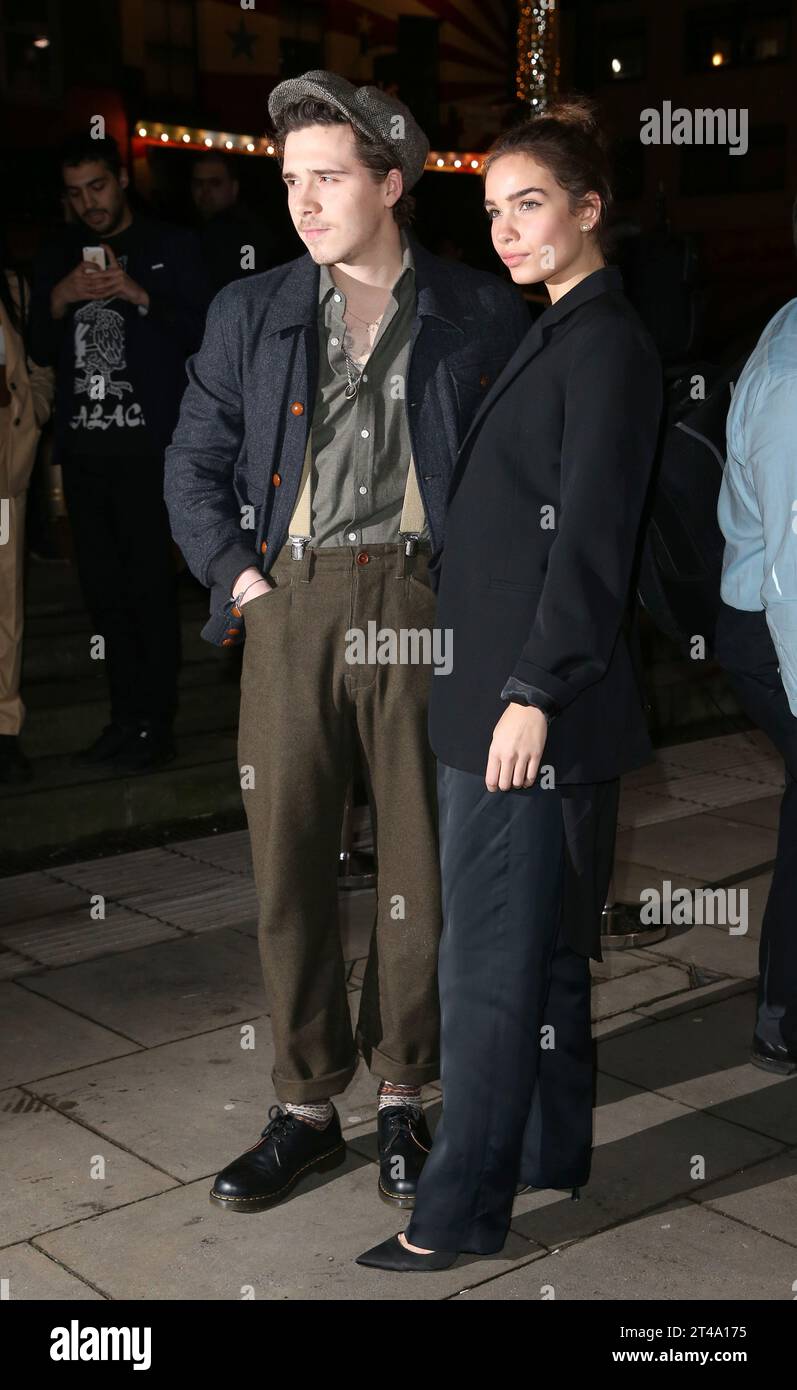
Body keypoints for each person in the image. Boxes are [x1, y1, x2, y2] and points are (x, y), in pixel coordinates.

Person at [164, 70, 530, 1213]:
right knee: (287, 859)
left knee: (417, 864)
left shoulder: (477, 311)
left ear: (391, 181)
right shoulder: (250, 308)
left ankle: (402, 1098)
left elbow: (522, 483)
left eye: (328, 177)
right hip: (294, 600)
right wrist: (246, 582)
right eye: (289, 181)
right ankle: (304, 1105)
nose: (304, 201)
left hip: (423, 602)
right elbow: (191, 463)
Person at [357, 98, 663, 1271]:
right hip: (509, 699)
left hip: (521, 708)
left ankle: (453, 1216)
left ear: (589, 210)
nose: (504, 230)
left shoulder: (605, 343)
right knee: (535, 954)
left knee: (484, 964)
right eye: (490, 211)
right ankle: (549, 1150)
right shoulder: (564, 326)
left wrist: (531, 688)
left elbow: (587, 543)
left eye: (528, 204)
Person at [29, 133, 212, 772]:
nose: (90, 203)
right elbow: (37, 346)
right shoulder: (57, 255)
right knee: (103, 595)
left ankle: (154, 726)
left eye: (99, 187)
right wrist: (61, 296)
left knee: (148, 591)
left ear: (121, 180)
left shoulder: (170, 245)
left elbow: (204, 335)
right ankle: (123, 719)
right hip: (85, 453)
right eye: (76, 194)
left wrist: (138, 293)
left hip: (150, 452)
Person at [713, 191, 797, 1077]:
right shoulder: (794, 383)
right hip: (774, 634)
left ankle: (784, 1008)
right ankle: (783, 1012)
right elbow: (790, 577)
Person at [0, 235, 55, 783]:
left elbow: (41, 362)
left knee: (4, 606)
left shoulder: (15, 290)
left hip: (2, 480)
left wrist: (33, 414)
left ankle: (4, 728)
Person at [191, 152, 280, 293]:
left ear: (234, 187)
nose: (205, 191)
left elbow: (251, 282)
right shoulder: (191, 229)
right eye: (199, 183)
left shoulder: (249, 232)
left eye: (215, 183)